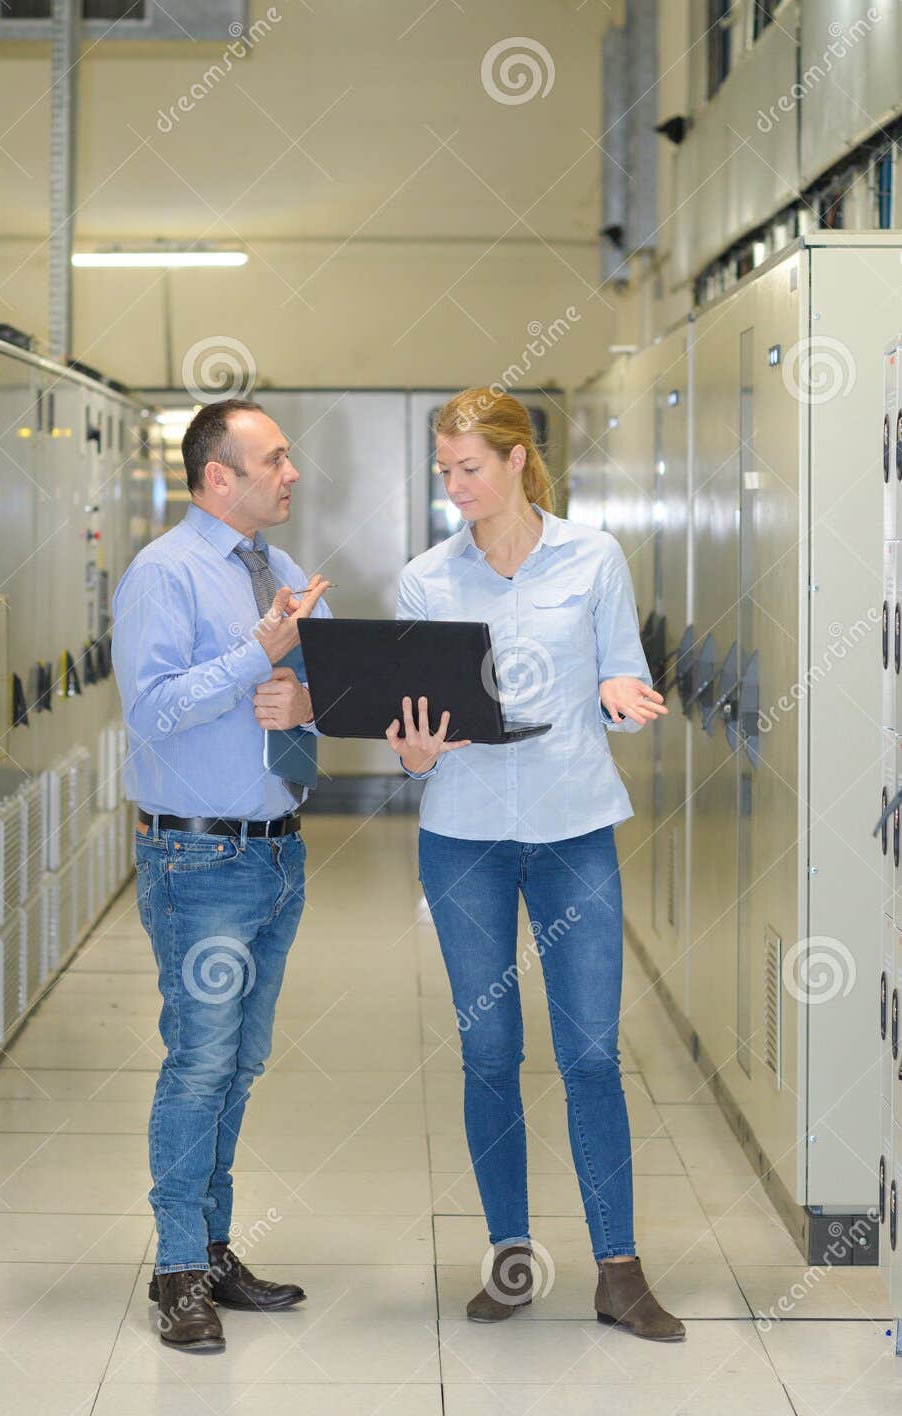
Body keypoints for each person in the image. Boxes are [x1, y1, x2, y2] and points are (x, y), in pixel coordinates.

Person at [388, 387, 684, 1342]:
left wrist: (613, 688)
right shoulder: (425, 581)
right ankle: (510, 1261)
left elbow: (619, 673)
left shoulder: (590, 557)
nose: (455, 487)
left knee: (591, 1052)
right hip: (463, 835)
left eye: (468, 468)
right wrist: (417, 749)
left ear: (518, 462)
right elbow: (408, 736)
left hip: (572, 829)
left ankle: (618, 1270)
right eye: (444, 471)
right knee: (488, 1053)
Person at [111, 398, 331, 1353]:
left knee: (240, 1064)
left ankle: (209, 1247)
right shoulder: (164, 573)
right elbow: (151, 710)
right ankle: (173, 1273)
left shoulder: (276, 571)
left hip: (277, 848)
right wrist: (259, 657)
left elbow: (300, 709)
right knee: (198, 1063)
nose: (290, 474)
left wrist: (301, 698)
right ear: (218, 479)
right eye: (273, 460)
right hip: (196, 856)